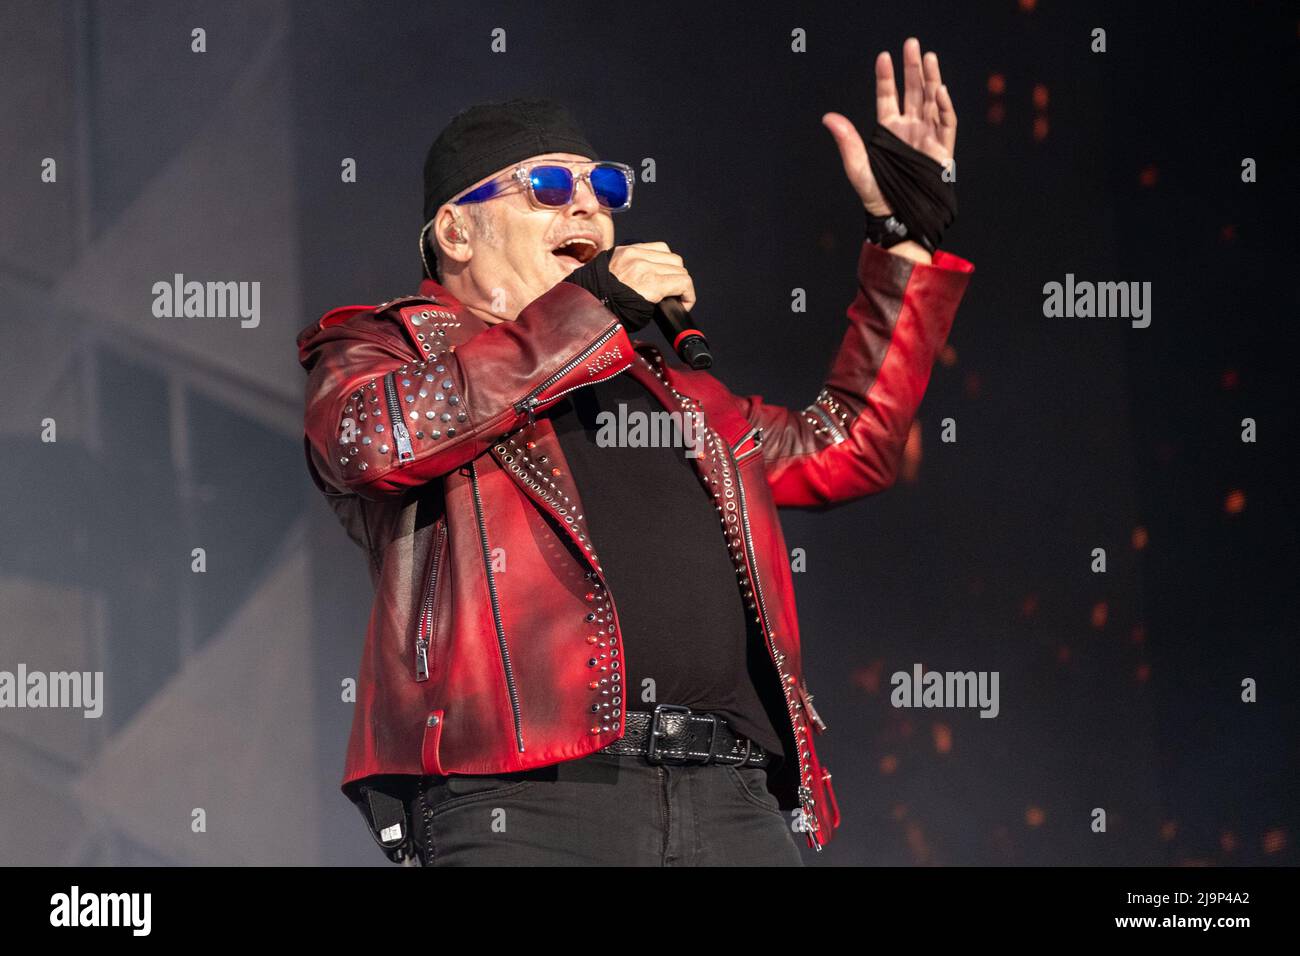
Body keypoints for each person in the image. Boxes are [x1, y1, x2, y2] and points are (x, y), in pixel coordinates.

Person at [296, 37, 973, 866]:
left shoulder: (671, 390)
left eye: (605, 188)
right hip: (526, 799)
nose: (587, 208)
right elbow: (368, 441)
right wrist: (591, 308)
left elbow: (850, 445)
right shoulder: (390, 345)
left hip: (732, 798)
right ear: (457, 231)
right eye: (548, 187)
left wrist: (903, 241)